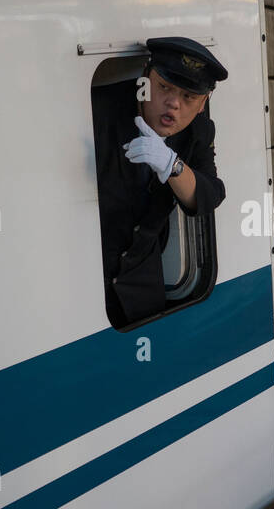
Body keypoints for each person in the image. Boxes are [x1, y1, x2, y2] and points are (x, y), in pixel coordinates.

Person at [92, 37, 228, 327]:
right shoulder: (99, 114)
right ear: (144, 80)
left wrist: (172, 165)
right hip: (87, 283)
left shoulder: (198, 132)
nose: (174, 104)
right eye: (164, 87)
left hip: (142, 283)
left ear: (203, 104)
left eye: (189, 97)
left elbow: (209, 195)